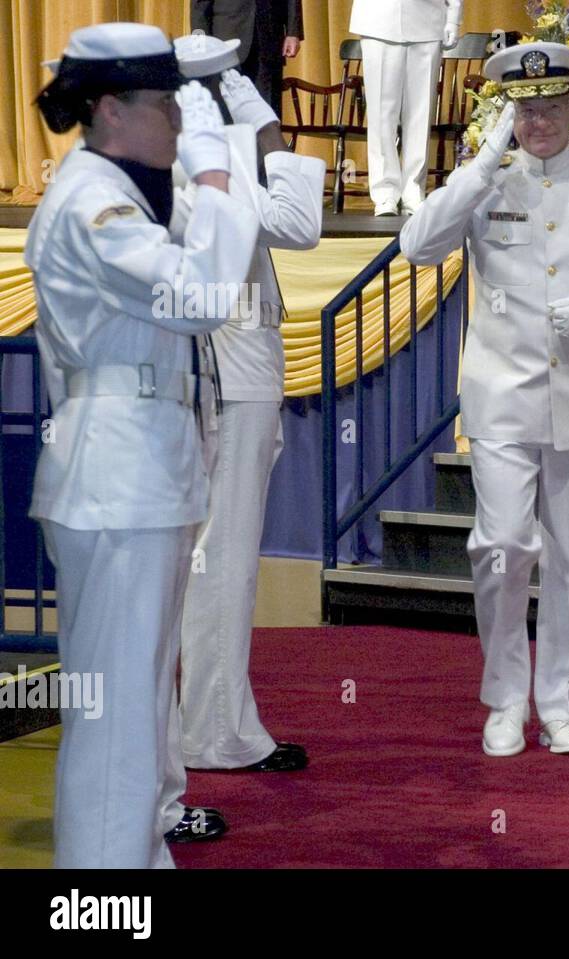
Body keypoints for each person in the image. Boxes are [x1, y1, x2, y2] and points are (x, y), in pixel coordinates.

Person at [27, 22, 258, 867]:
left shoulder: (112, 191)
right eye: (164, 102)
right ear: (110, 108)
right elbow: (200, 298)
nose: (175, 118)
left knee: (133, 703)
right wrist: (218, 171)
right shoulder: (97, 203)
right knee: (119, 715)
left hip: (136, 470)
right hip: (115, 477)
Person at [400, 42, 569, 757]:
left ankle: (561, 707)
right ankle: (501, 700)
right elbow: (417, 245)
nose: (539, 121)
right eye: (526, 109)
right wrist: (483, 161)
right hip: (500, 395)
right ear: (509, 114)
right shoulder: (486, 182)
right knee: (501, 546)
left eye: (551, 106)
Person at [154, 32, 326, 846]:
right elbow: (297, 222)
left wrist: (255, 131)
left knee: (222, 556)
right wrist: (259, 131)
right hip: (219, 366)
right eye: (228, 77)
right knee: (217, 557)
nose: (243, 82)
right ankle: (209, 732)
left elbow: (294, 223)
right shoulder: (190, 158)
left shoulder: (209, 145)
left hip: (238, 360)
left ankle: (218, 722)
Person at [349, 0, 464, 215]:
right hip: (378, 18)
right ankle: (384, 192)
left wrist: (453, 18)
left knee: (420, 115)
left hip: (428, 18)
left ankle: (413, 188)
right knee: (381, 115)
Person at [191, 0, 303, 117]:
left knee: (267, 115)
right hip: (225, 45)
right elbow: (198, 7)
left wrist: (293, 32)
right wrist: (201, 45)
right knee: (226, 116)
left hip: (268, 40)